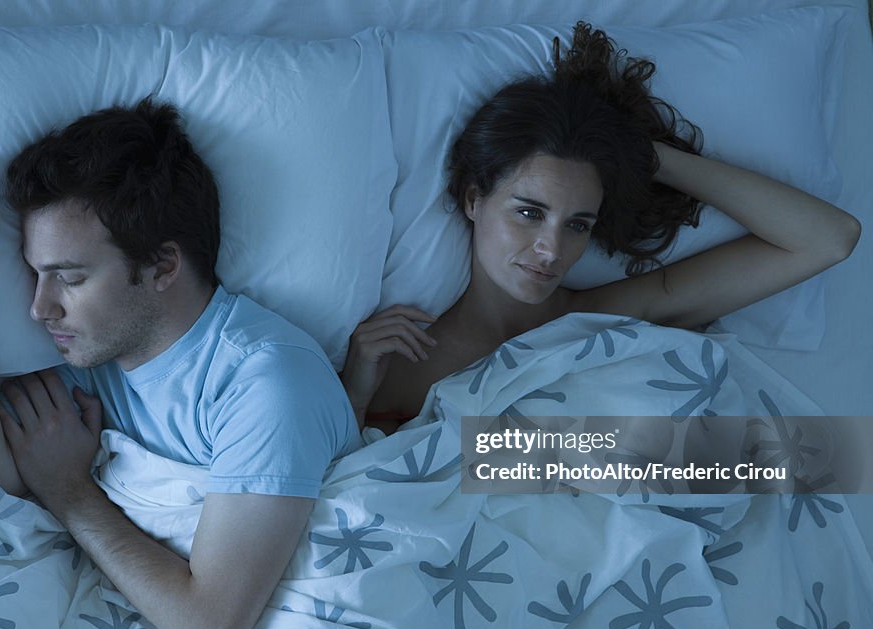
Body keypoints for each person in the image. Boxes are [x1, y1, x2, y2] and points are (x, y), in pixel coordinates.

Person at [0, 98, 360, 629]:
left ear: (163, 266)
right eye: (37, 275)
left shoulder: (265, 380)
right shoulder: (97, 358)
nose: (41, 309)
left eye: (69, 278)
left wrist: (70, 493)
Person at [341, 22, 861, 432]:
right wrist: (356, 391)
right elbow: (330, 491)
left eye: (579, 224)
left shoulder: (601, 320)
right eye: (529, 212)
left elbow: (829, 238)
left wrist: (649, 159)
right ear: (475, 200)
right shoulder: (400, 360)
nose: (551, 249)